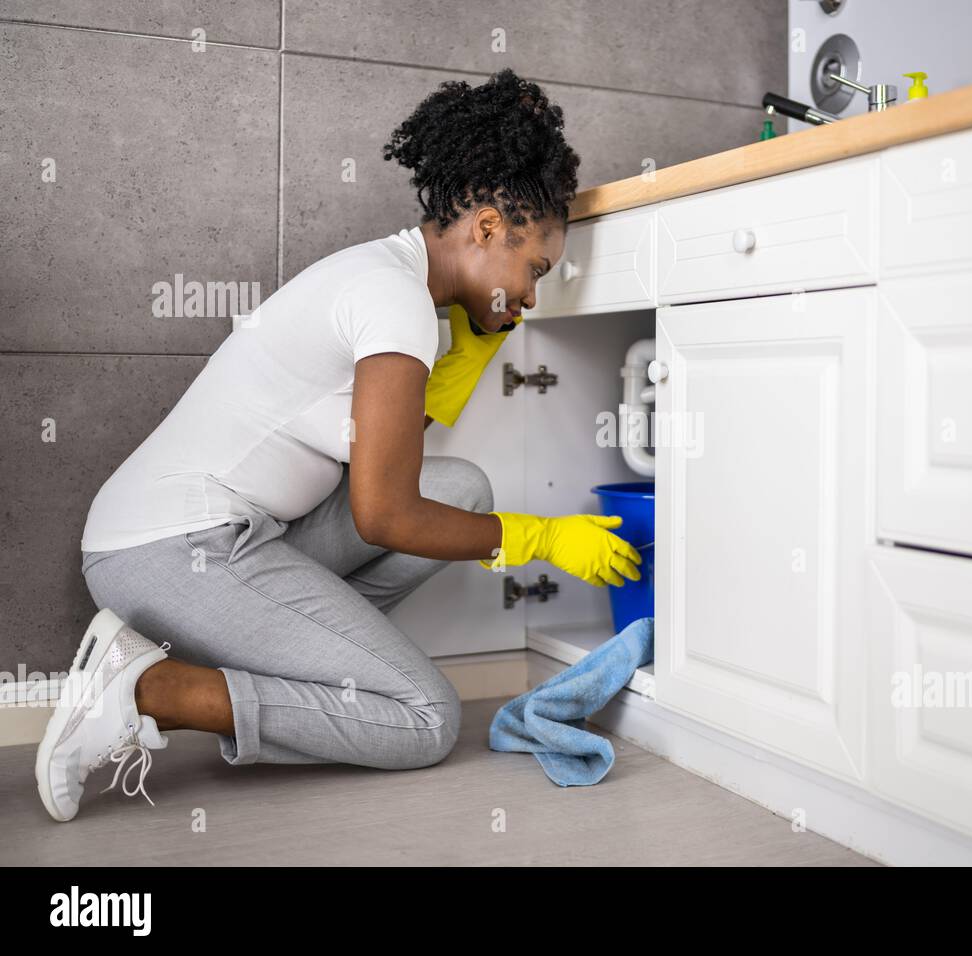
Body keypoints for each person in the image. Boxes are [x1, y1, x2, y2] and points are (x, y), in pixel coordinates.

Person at [36, 68, 642, 823]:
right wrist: (542, 536)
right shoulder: (393, 300)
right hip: (167, 547)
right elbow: (386, 515)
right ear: (488, 227)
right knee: (428, 719)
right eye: (534, 269)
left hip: (235, 538)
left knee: (460, 491)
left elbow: (386, 464)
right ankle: (149, 688)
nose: (531, 295)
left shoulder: (397, 285)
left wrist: (470, 353)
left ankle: (294, 665)